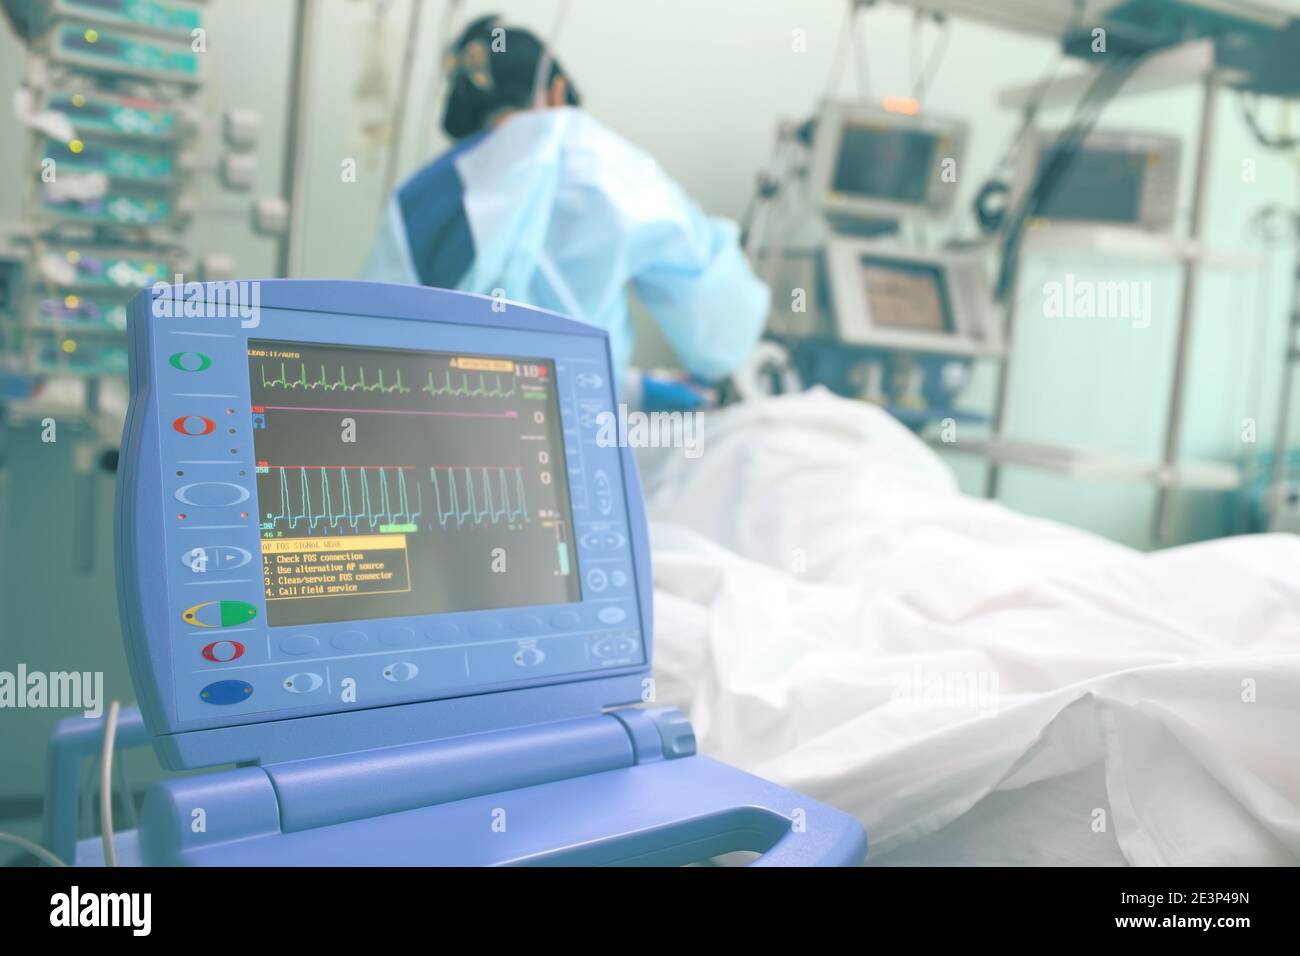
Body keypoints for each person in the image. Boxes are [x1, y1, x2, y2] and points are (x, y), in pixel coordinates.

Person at [363, 14, 769, 398]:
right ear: (556, 91)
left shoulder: (416, 197)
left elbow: (378, 344)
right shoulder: (598, 159)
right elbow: (720, 333)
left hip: (439, 442)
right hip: (574, 445)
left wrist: (630, 386)